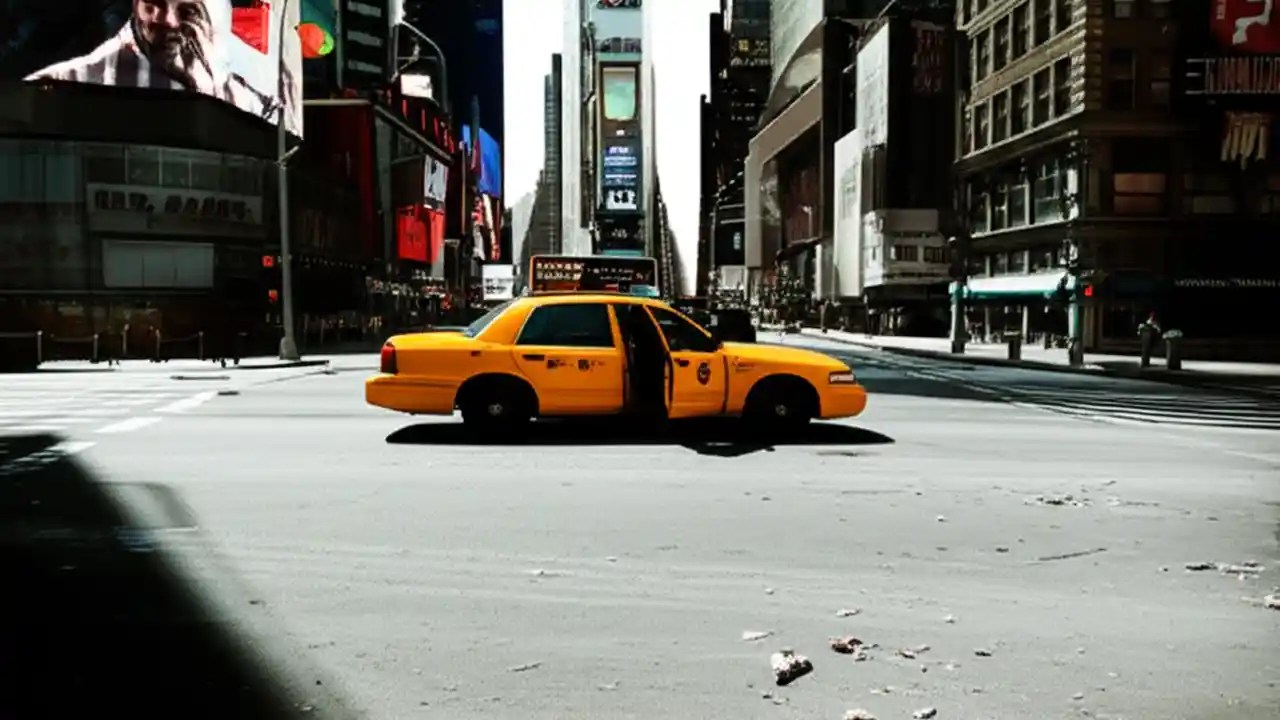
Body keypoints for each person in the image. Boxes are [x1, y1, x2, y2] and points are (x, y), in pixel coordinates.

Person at [25, 0, 297, 133]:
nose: (167, 21)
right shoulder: (63, 80)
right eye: (153, 5)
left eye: (187, 11)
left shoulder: (265, 99)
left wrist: (207, 87)